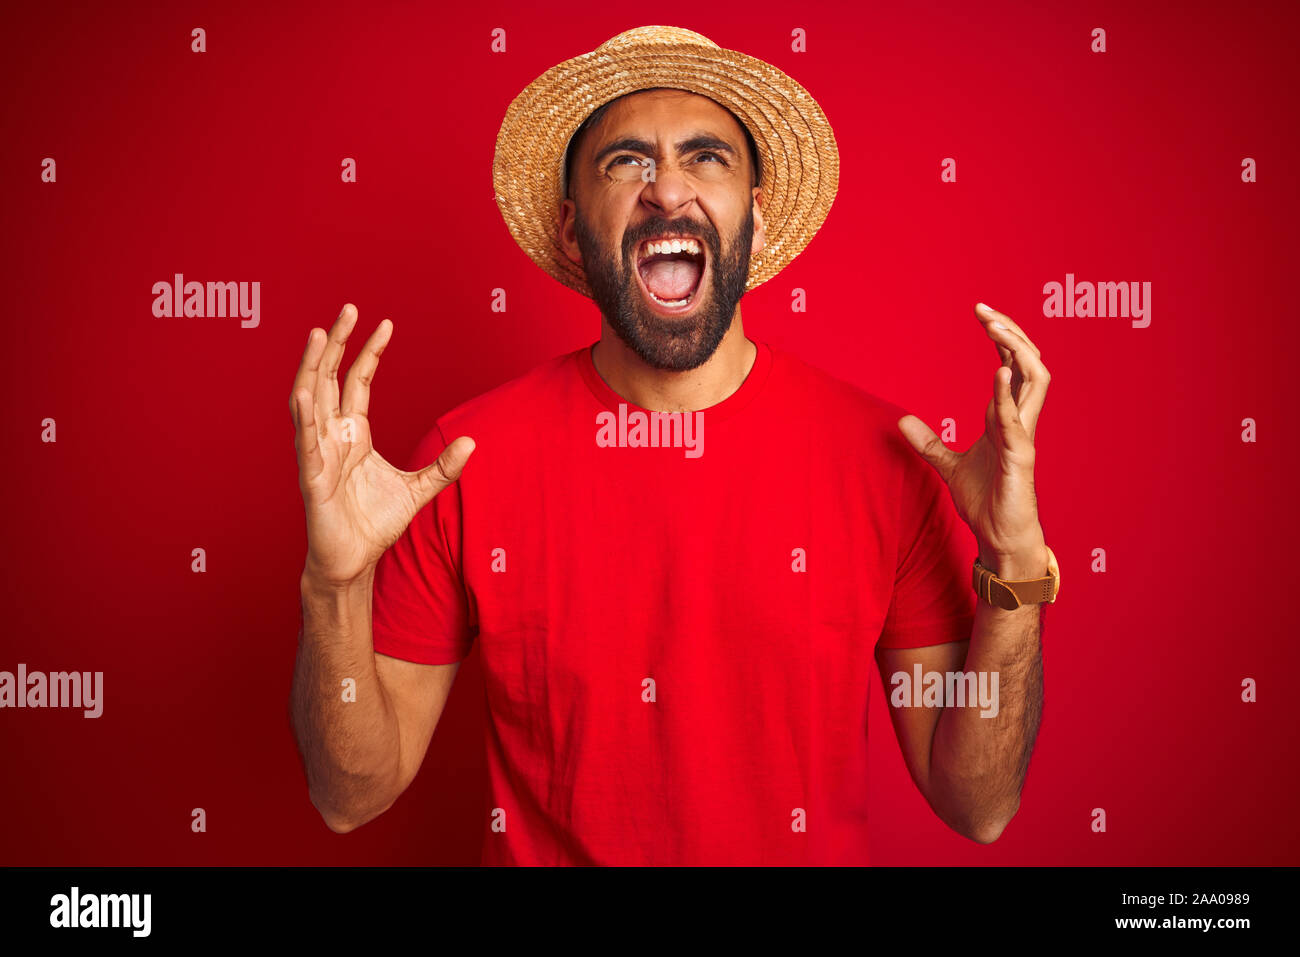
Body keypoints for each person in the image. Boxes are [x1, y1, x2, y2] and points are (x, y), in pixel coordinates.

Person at [288, 26, 1059, 865]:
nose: (666, 191)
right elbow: (348, 798)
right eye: (626, 161)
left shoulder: (884, 460)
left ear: (756, 223)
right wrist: (336, 586)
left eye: (707, 159)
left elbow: (977, 803)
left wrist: (1013, 562)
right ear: (575, 230)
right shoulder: (465, 461)